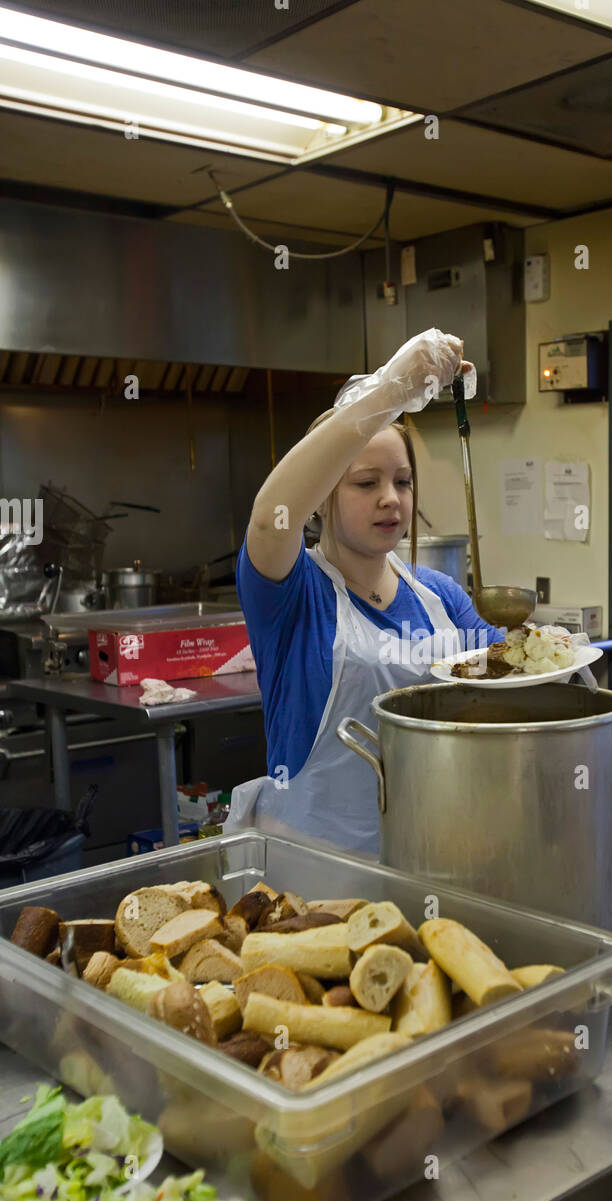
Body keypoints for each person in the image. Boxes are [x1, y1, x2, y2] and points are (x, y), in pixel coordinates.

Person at [225, 328, 504, 854]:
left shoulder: (439, 596)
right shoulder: (292, 593)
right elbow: (267, 520)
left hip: (427, 854)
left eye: (402, 481)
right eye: (365, 482)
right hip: (311, 873)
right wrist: (390, 391)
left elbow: (507, 670)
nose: (390, 500)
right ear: (323, 496)